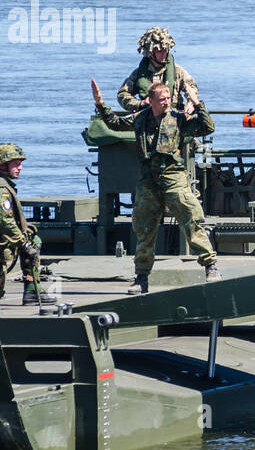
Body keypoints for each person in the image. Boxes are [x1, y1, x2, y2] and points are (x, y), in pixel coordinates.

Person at [91, 77, 221, 293]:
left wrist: (197, 103)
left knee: (191, 218)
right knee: (144, 228)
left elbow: (207, 127)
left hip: (173, 176)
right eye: (162, 99)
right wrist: (99, 103)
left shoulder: (179, 119)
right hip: (148, 180)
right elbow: (114, 123)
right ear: (150, 100)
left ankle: (210, 265)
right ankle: (141, 278)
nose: (167, 102)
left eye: (169, 98)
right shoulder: (140, 118)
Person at [0, 144, 50, 305]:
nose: (20, 168)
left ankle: (31, 291)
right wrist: (23, 244)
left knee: (33, 240)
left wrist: (26, 240)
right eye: (15, 164)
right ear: (2, 165)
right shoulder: (0, 190)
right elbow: (5, 221)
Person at [117, 27, 199, 112]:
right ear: (151, 52)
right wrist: (140, 104)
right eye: (159, 51)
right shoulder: (139, 74)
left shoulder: (178, 71)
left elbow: (192, 88)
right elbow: (122, 94)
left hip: (174, 116)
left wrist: (190, 103)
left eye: (165, 50)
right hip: (148, 116)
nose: (163, 54)